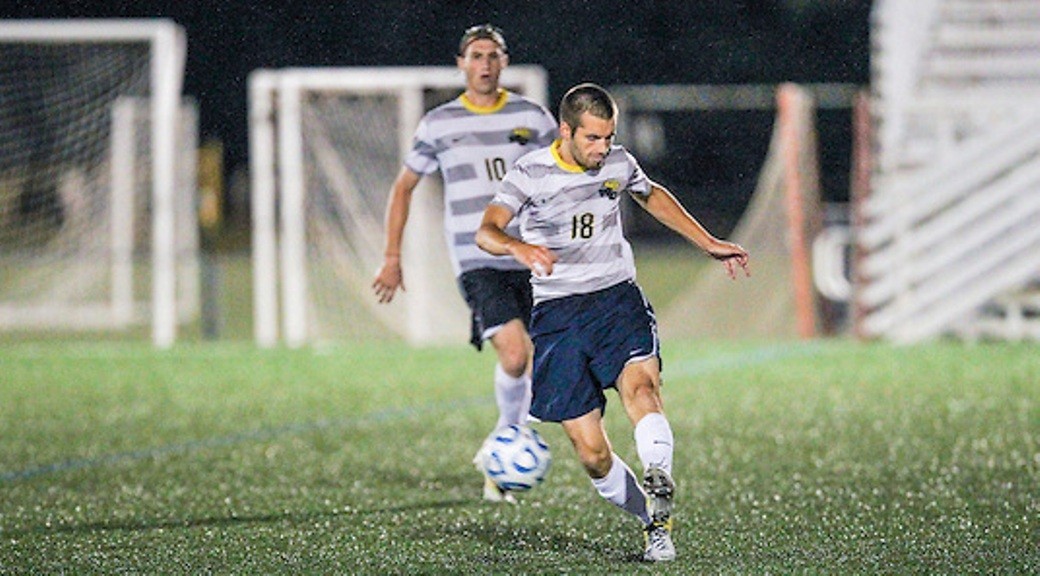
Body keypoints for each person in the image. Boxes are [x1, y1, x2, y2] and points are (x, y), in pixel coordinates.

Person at [475, 82, 750, 562]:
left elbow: (651, 194)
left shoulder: (618, 163)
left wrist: (706, 241)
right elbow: (487, 230)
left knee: (641, 390)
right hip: (558, 317)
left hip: (616, 301)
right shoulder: (530, 173)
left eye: (609, 138)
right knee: (591, 453)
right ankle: (651, 519)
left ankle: (659, 483)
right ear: (566, 132)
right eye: (593, 139)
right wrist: (518, 246)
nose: (603, 149)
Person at [371, 24, 558, 503]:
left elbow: (561, 178)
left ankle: (504, 442)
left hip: (533, 256)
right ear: (461, 63)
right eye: (476, 56)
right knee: (515, 353)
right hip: (478, 259)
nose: (485, 64)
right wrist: (392, 257)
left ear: (505, 61)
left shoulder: (533, 118)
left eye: (494, 55)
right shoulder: (439, 124)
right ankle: (505, 448)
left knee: (550, 365)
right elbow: (404, 187)